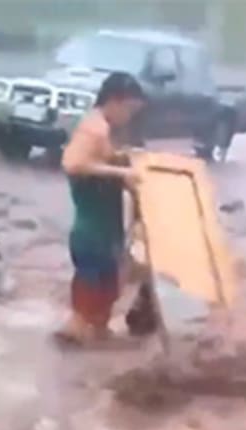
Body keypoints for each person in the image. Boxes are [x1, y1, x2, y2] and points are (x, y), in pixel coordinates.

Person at [55, 72, 146, 345]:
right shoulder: (94, 128)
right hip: (92, 229)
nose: (129, 116)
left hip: (104, 229)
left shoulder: (102, 128)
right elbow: (72, 164)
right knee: (91, 288)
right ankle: (76, 333)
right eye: (129, 109)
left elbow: (96, 162)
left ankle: (97, 335)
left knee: (107, 286)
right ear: (115, 102)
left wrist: (120, 161)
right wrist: (120, 174)